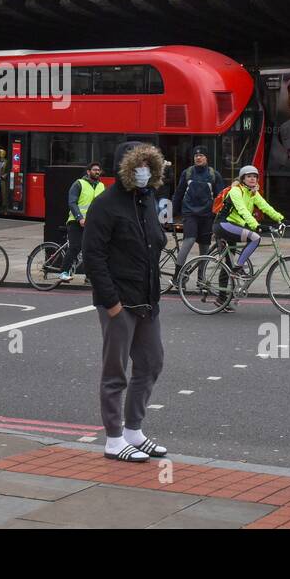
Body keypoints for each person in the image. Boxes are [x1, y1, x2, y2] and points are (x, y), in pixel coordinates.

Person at [82, 140, 169, 463]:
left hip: (147, 300)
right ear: (125, 168)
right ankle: (114, 438)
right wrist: (112, 303)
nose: (144, 171)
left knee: (151, 362)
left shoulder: (147, 201)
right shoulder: (105, 204)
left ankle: (134, 430)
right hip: (119, 302)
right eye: (138, 165)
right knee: (115, 372)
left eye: (149, 165)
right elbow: (93, 256)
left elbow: (152, 243)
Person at [218, 165, 285, 284]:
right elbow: (242, 210)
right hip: (224, 224)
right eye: (249, 176)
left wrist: (280, 219)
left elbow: (266, 207)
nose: (252, 179)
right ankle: (238, 268)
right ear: (243, 179)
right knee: (254, 238)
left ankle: (223, 298)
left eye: (255, 176)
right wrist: (256, 226)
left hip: (236, 226)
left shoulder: (253, 193)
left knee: (228, 263)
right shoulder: (236, 191)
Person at [171, 146, 224, 284]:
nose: (198, 157)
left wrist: (220, 216)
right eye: (196, 155)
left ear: (206, 158)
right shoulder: (187, 173)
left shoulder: (214, 175)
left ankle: (201, 279)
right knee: (189, 241)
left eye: (201, 155)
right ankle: (177, 276)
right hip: (190, 214)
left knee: (204, 248)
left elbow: (220, 198)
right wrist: (171, 214)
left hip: (207, 216)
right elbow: (179, 193)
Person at [61, 161, 104, 281]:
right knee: (75, 246)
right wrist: (80, 218)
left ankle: (89, 276)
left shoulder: (101, 186)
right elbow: (72, 202)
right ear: (88, 172)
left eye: (98, 170)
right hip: (75, 222)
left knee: (92, 249)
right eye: (94, 169)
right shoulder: (79, 183)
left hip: (92, 224)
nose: (97, 172)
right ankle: (63, 272)